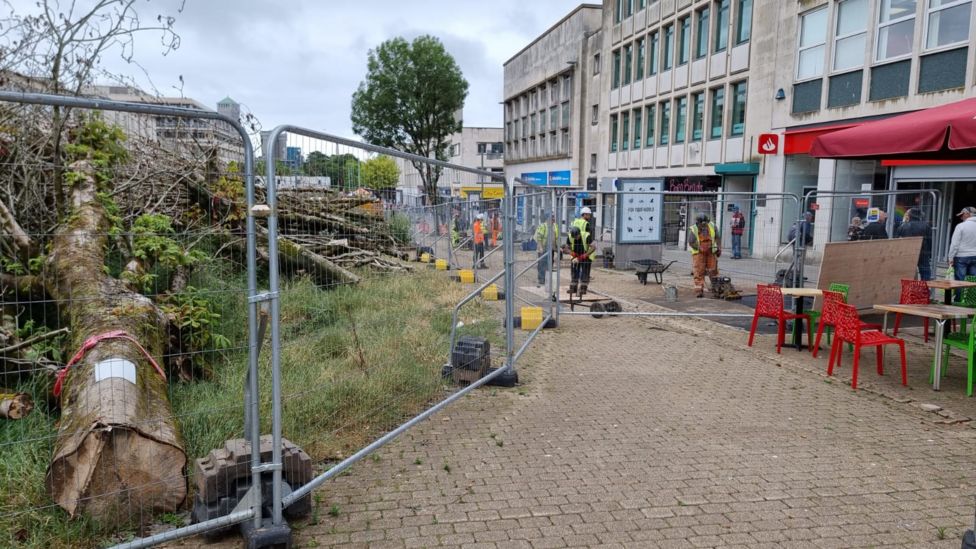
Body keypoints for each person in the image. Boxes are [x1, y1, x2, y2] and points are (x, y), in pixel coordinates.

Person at [894, 208, 933, 280]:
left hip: (908, 253)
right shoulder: (926, 225)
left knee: (908, 273)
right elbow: (929, 241)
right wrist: (929, 253)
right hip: (923, 252)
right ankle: (924, 289)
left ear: (909, 215)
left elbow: (897, 240)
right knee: (925, 273)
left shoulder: (903, 226)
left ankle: (910, 289)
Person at [688, 213, 721, 298]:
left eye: (705, 224)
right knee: (699, 272)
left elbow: (717, 237)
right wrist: (699, 248)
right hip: (699, 253)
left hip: (711, 252)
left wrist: (719, 248)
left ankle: (716, 290)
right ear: (698, 223)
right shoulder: (694, 229)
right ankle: (699, 291)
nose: (703, 226)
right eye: (701, 225)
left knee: (713, 271)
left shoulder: (712, 226)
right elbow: (691, 242)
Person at [564, 212, 595, 295]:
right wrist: (572, 253)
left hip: (586, 255)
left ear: (579, 234)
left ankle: (583, 289)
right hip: (576, 254)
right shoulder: (571, 236)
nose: (576, 238)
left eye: (577, 237)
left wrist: (585, 255)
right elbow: (566, 248)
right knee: (574, 271)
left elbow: (593, 247)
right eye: (575, 237)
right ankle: (573, 288)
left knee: (585, 272)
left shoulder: (586, 236)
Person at [948, 207, 976, 295]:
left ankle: (958, 300)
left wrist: (950, 257)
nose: (961, 217)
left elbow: (954, 244)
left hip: (961, 257)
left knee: (960, 280)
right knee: (973, 280)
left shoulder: (961, 226)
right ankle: (970, 299)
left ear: (967, 214)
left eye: (962, 215)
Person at [534, 212, 559, 287]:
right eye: (552, 217)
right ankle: (541, 279)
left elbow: (555, 238)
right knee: (542, 263)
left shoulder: (555, 226)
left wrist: (556, 248)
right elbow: (539, 238)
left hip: (550, 248)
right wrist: (541, 247)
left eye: (554, 217)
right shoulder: (543, 226)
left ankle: (548, 279)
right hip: (543, 247)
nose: (554, 218)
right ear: (548, 218)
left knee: (550, 263)